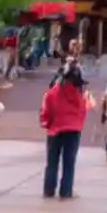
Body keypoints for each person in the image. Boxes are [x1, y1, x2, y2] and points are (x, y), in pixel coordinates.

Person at [40, 59, 88, 199]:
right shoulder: (78, 94)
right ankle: (66, 191)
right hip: (73, 130)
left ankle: (48, 190)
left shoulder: (52, 92)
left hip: (55, 130)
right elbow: (82, 111)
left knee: (52, 162)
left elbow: (46, 111)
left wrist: (47, 124)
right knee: (69, 162)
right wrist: (78, 124)